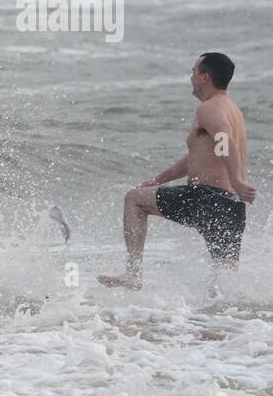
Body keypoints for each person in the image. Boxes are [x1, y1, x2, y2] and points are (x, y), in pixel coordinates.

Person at [98, 53, 256, 290]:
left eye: (193, 72)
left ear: (205, 77)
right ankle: (227, 325)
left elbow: (223, 140)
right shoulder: (231, 109)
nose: (190, 77)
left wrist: (237, 179)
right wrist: (159, 179)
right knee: (224, 287)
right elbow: (199, 154)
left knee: (134, 200)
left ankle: (133, 274)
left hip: (206, 198)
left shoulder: (209, 108)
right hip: (231, 207)